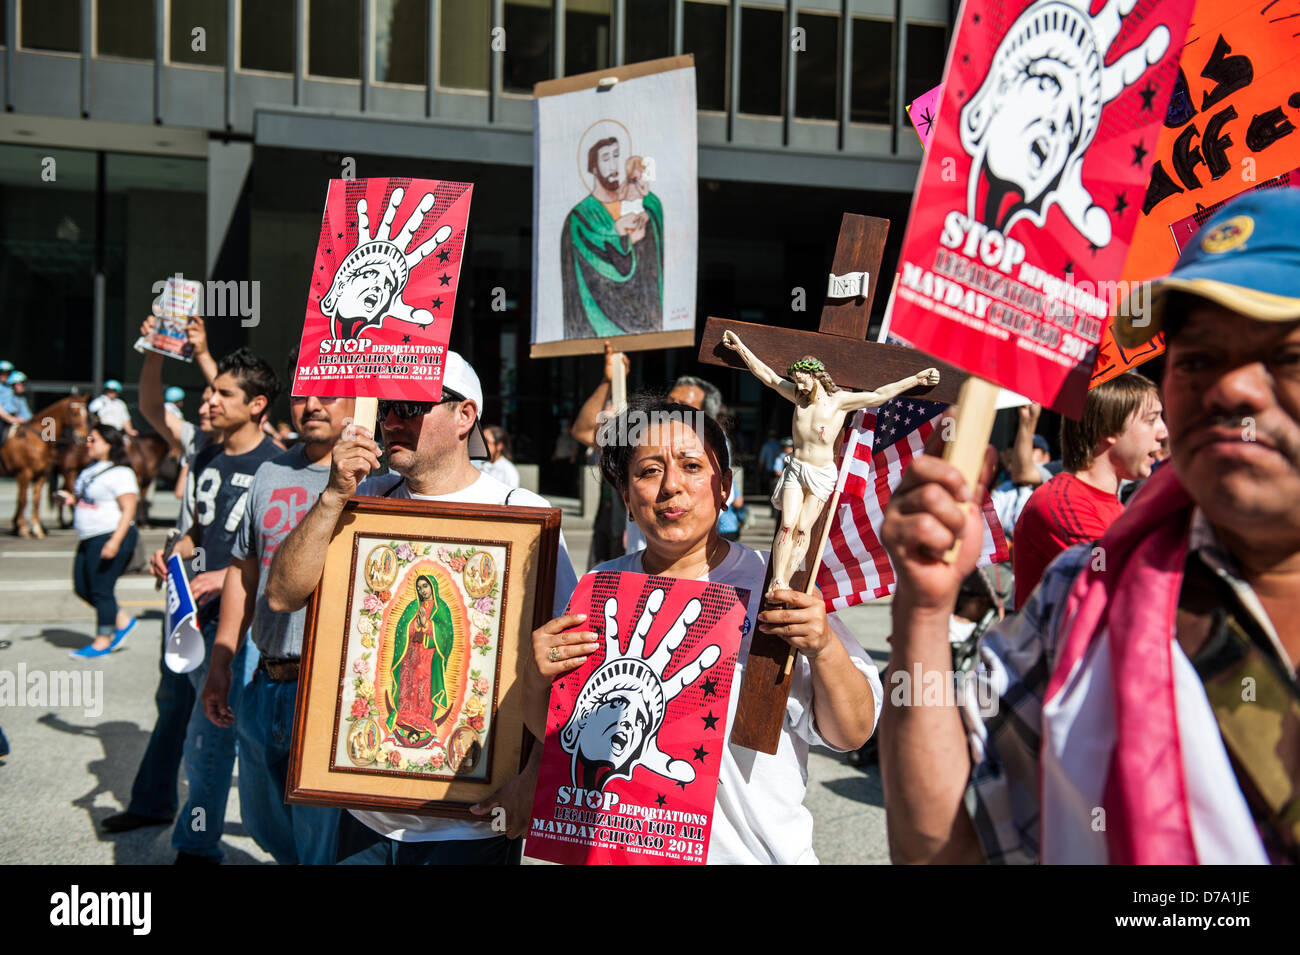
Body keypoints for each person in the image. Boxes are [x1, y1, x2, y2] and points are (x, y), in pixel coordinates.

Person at [878, 190, 1300, 864]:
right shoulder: (1081, 598)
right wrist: (923, 611)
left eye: (1287, 356)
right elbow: (944, 851)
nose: (1232, 391)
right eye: (1195, 361)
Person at [525, 397, 881, 863]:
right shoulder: (599, 588)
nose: (671, 487)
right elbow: (556, 733)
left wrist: (824, 646)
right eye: (649, 471)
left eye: (692, 466)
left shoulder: (779, 585)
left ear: (725, 486)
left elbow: (852, 732)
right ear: (627, 499)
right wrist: (535, 675)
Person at [266, 350, 579, 864]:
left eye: (411, 407)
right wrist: (330, 499)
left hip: (471, 826)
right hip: (366, 815)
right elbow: (281, 594)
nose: (391, 420)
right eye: (387, 407)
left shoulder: (521, 515)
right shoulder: (362, 499)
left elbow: (566, 663)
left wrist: (534, 775)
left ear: (465, 415)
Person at [199, 358, 352, 864]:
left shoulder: (377, 483)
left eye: (327, 394)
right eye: (303, 394)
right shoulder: (269, 470)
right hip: (264, 682)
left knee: (319, 843)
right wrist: (221, 662)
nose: (311, 406)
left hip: (331, 691)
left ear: (358, 399)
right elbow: (243, 575)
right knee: (268, 830)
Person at [149, 347, 282, 863]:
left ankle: (198, 847)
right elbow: (194, 533)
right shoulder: (205, 452)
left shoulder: (276, 464)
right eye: (211, 390)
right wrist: (173, 554)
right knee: (204, 738)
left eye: (223, 393)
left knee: (219, 740)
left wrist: (225, 575)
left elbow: (277, 556)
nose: (211, 400)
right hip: (193, 619)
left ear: (257, 405)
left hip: (247, 630)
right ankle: (199, 840)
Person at [722, 329, 939, 596]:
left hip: (821, 473)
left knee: (803, 527)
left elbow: (879, 396)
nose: (799, 387)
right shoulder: (797, 399)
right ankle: (777, 580)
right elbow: (767, 376)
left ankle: (786, 581)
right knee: (787, 523)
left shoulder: (839, 402)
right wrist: (740, 347)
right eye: (796, 382)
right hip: (796, 469)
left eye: (803, 381)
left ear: (816, 377)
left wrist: (916, 379)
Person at [1011, 370, 1167, 607]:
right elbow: (1127, 590)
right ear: (1110, 430)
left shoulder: (1111, 503)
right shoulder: (1063, 503)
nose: (1163, 432)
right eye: (1151, 420)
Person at [561, 132, 663, 339]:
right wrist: (618, 235)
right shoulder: (582, 215)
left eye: (616, 156)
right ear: (593, 167)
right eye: (606, 159)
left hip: (640, 311)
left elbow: (653, 216)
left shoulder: (637, 200)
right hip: (601, 315)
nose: (614, 164)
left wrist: (646, 210)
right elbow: (594, 258)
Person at [63, 425, 139, 659]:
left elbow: (129, 508)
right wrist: (71, 500)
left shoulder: (121, 473)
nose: (88, 443)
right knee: (82, 587)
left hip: (109, 535)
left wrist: (115, 541)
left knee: (102, 591)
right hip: (88, 536)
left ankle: (102, 641)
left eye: (93, 440)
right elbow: (90, 500)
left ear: (109, 444)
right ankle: (122, 620)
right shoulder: (90, 470)